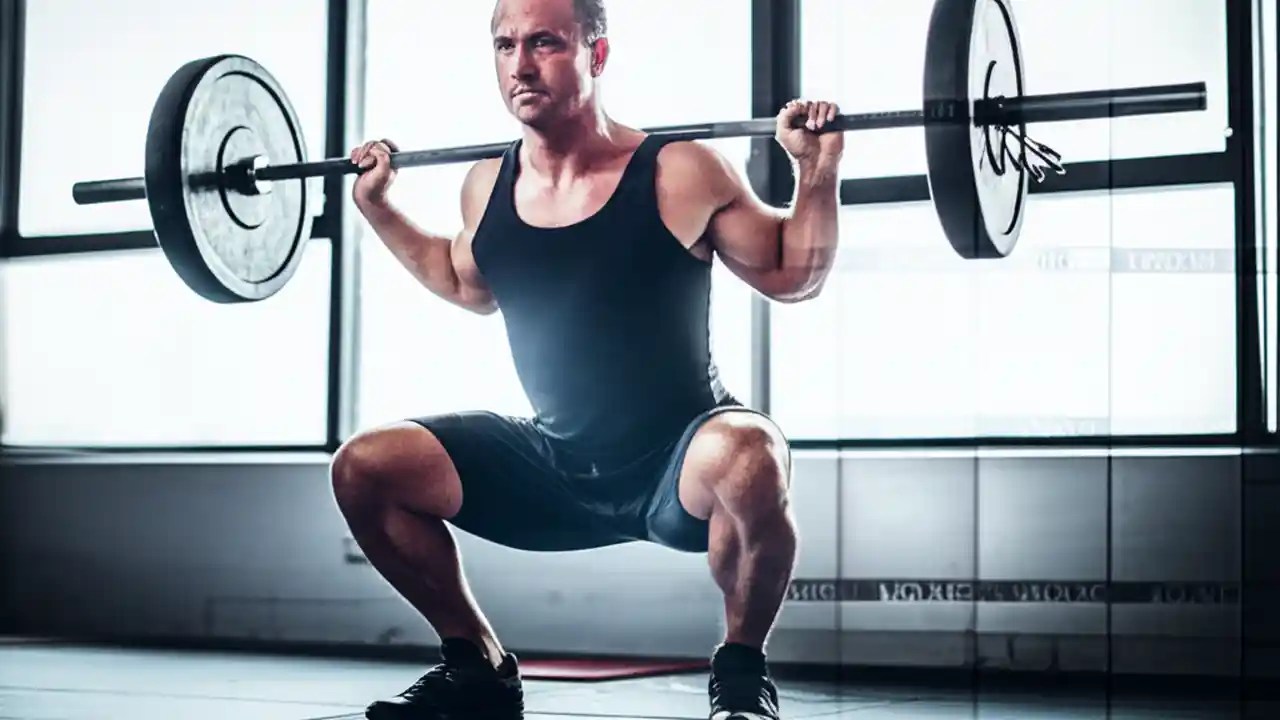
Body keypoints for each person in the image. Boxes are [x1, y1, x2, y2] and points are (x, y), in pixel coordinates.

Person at [331, 0, 841, 717]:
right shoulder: (487, 183)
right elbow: (464, 281)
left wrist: (816, 172)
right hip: (556, 464)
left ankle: (739, 677)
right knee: (365, 466)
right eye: (505, 45)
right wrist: (380, 209)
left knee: (751, 451)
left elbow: (794, 274)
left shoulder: (680, 170)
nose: (521, 63)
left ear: (596, 56)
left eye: (545, 42)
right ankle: (475, 665)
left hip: (680, 462)